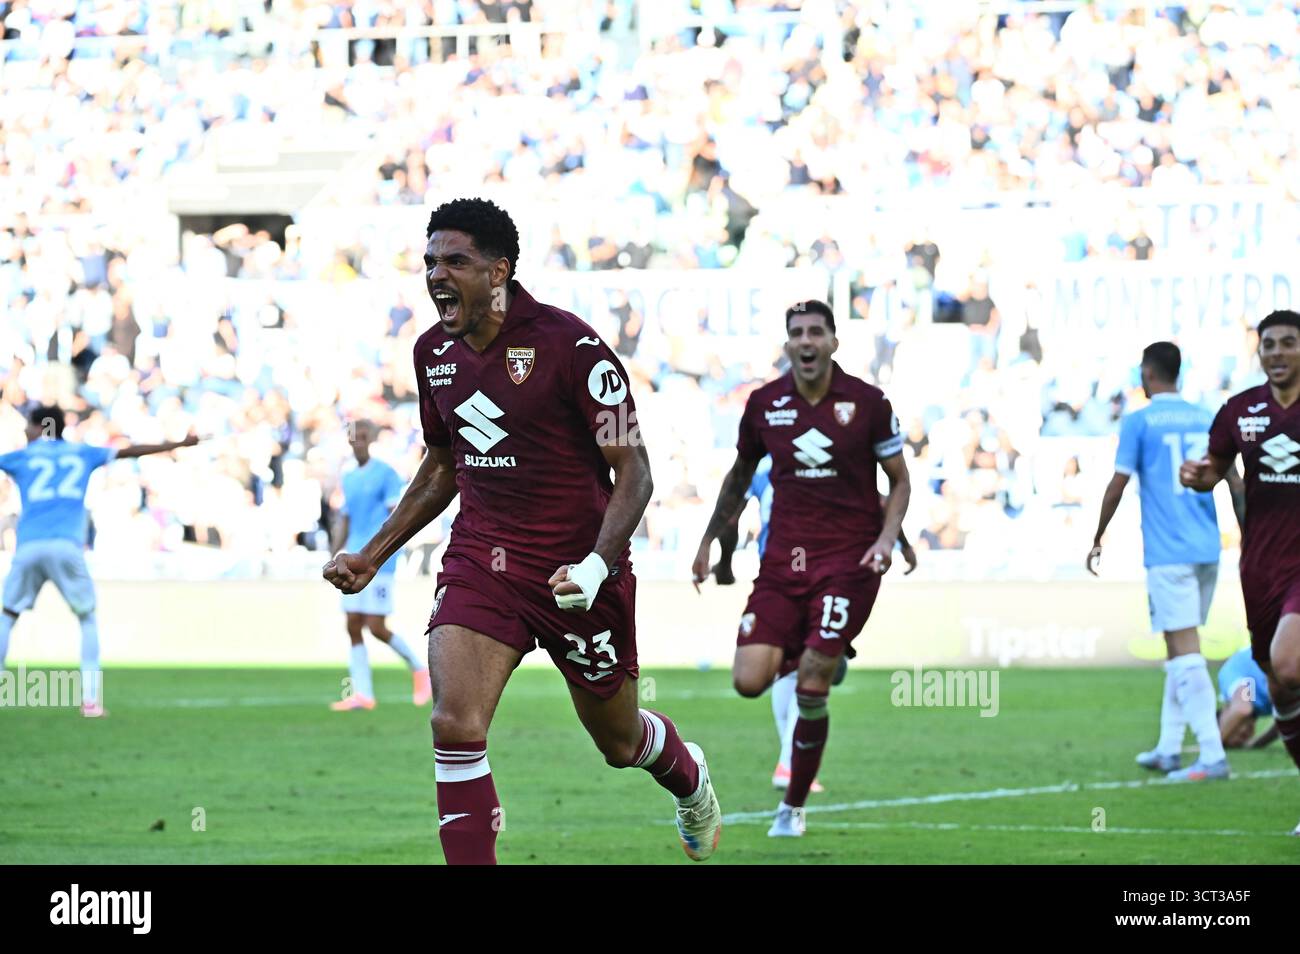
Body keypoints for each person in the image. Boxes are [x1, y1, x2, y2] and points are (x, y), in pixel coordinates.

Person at [323, 198, 721, 865]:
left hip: (577, 576)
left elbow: (637, 471)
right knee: (454, 723)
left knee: (620, 744)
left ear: (499, 271)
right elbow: (443, 466)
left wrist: (597, 564)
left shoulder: (573, 347)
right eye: (430, 262)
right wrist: (371, 555)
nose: (436, 275)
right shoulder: (433, 354)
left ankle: (690, 779)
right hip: (483, 562)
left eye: (456, 261)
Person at [693, 299, 911, 838]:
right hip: (782, 564)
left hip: (849, 562)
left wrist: (888, 539)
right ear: (788, 343)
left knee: (812, 687)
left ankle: (791, 809)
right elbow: (739, 478)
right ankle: (819, 648)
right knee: (748, 681)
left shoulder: (867, 403)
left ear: (834, 342)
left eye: (817, 332)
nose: (806, 341)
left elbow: (897, 481)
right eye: (797, 333)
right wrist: (708, 542)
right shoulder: (766, 404)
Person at [711, 456, 916, 793]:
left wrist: (725, 560)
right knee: (817, 663)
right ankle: (791, 763)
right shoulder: (823, 455)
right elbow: (878, 501)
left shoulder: (761, 464)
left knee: (796, 665)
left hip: (778, 566)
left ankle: (789, 762)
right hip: (826, 566)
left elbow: (732, 513)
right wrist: (902, 543)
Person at [1087, 342, 1244, 780]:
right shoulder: (1205, 416)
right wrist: (1249, 535)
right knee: (1179, 647)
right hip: (1206, 546)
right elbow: (1234, 480)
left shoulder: (1139, 420)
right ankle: (1168, 748)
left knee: (1184, 648)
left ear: (1147, 373)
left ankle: (1212, 756)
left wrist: (1098, 535)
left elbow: (1119, 483)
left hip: (1167, 550)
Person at [1181, 310, 1300, 832]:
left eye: (1289, 344)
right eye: (1269, 344)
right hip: (1259, 565)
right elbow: (1211, 471)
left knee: (1290, 664)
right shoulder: (1239, 410)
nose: (1277, 353)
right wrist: (1197, 476)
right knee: (1279, 687)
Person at [0, 405, 198, 717]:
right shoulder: (82, 452)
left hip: (29, 546)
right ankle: (90, 701)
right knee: (87, 619)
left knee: (7, 615)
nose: (25, 431)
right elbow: (131, 451)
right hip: (66, 546)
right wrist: (178, 445)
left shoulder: (20, 457)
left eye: (30, 425)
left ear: (42, 426)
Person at [328, 420, 431, 712]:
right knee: (352, 624)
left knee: (376, 626)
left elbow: (395, 515)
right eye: (353, 437)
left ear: (371, 438)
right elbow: (345, 519)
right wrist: (333, 551)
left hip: (377, 560)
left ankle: (420, 670)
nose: (357, 442)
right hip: (353, 557)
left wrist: (385, 551)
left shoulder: (386, 474)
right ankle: (362, 694)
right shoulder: (348, 477)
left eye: (362, 436)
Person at [1217, 647, 1278, 750]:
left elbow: (1242, 709)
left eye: (1232, 731)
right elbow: (1288, 719)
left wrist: (1213, 746)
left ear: (1225, 713)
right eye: (1240, 742)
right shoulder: (1262, 706)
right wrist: (1256, 744)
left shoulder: (1229, 674)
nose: (1240, 737)